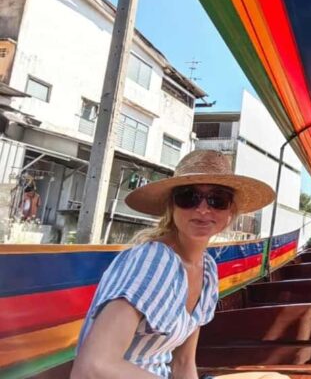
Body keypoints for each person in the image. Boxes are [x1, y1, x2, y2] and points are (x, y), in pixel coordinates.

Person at [71, 150, 278, 378]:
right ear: (172, 206)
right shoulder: (154, 260)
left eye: (217, 200)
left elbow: (183, 363)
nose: (202, 209)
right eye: (188, 197)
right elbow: (93, 367)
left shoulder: (207, 270)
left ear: (230, 211)